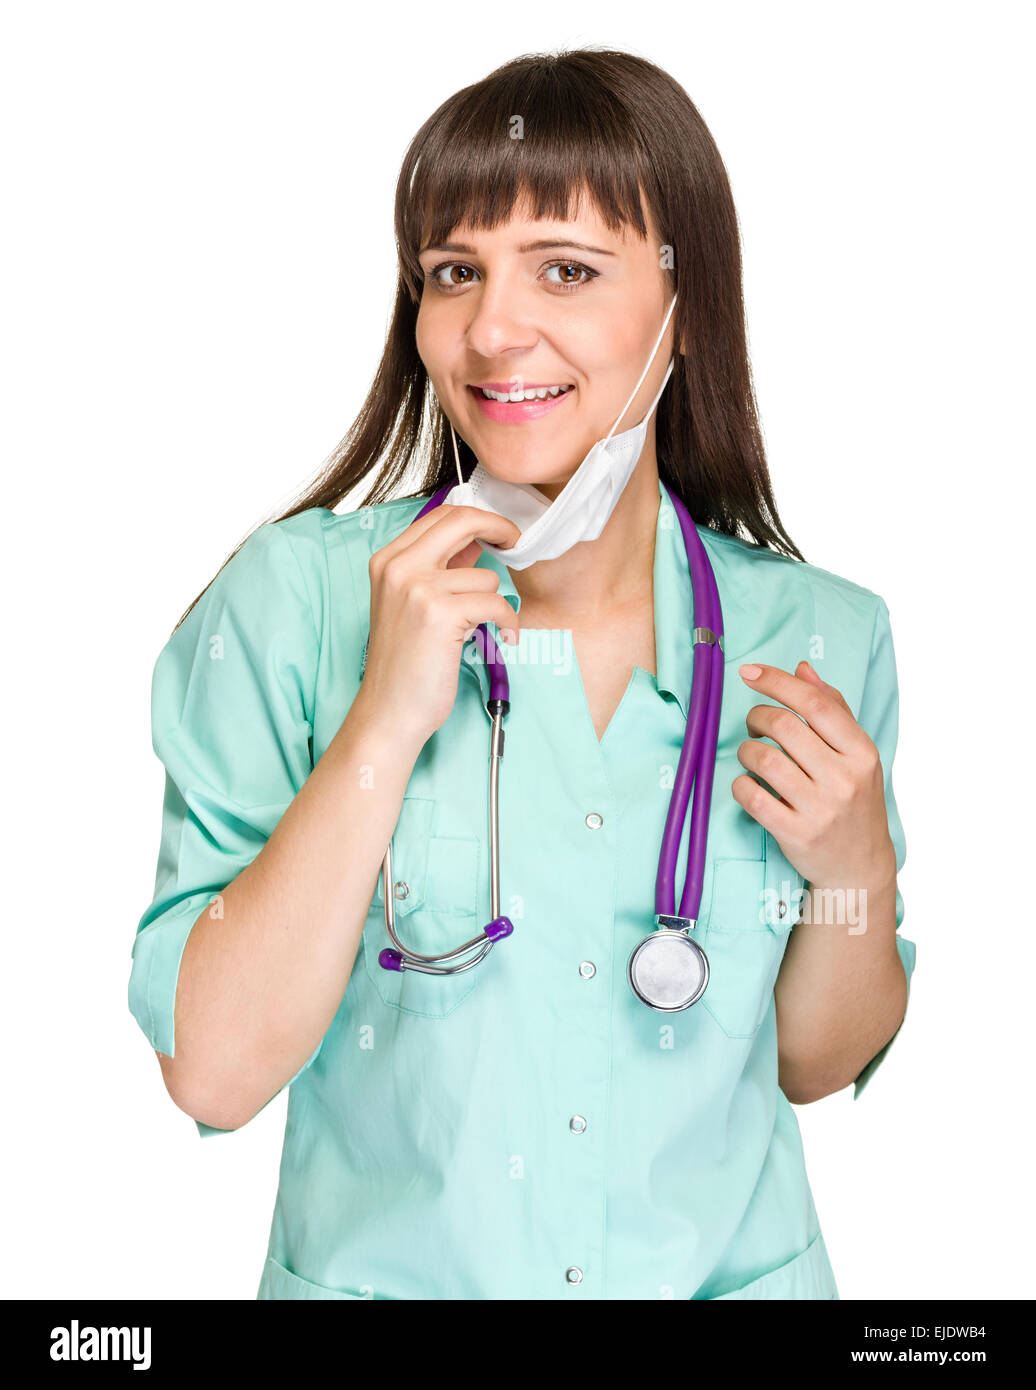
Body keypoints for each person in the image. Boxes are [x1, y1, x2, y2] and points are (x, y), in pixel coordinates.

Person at [129, 47, 915, 1300]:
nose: (492, 329)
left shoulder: (819, 636)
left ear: (684, 305)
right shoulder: (294, 606)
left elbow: (813, 1060)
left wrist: (857, 870)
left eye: (565, 268)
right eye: (454, 274)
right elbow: (214, 1068)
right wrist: (382, 727)